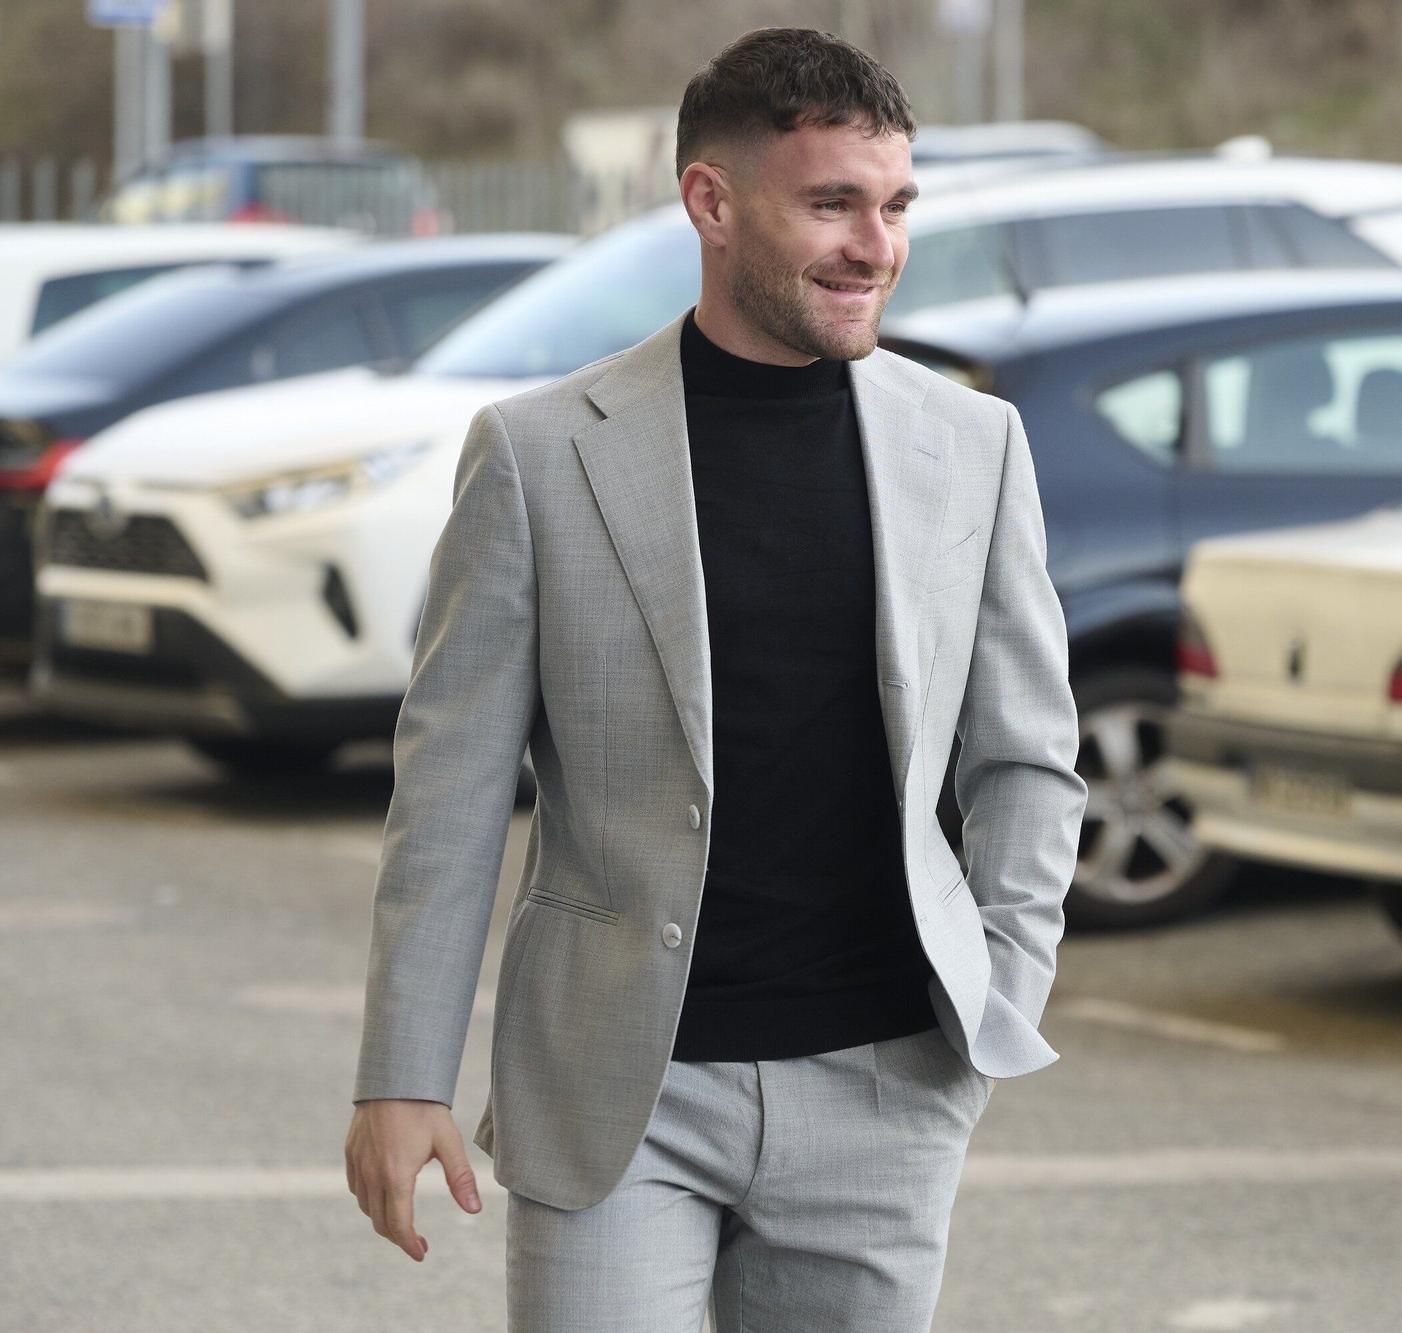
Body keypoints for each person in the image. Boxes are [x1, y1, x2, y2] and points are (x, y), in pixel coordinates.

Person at [342, 25, 1086, 1331]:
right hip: (616, 1092)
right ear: (709, 200)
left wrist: (999, 990)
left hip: (884, 1089)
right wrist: (402, 1074)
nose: (879, 244)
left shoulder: (975, 445)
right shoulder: (535, 454)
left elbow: (1025, 756)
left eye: (897, 203)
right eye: (832, 204)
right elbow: (450, 794)